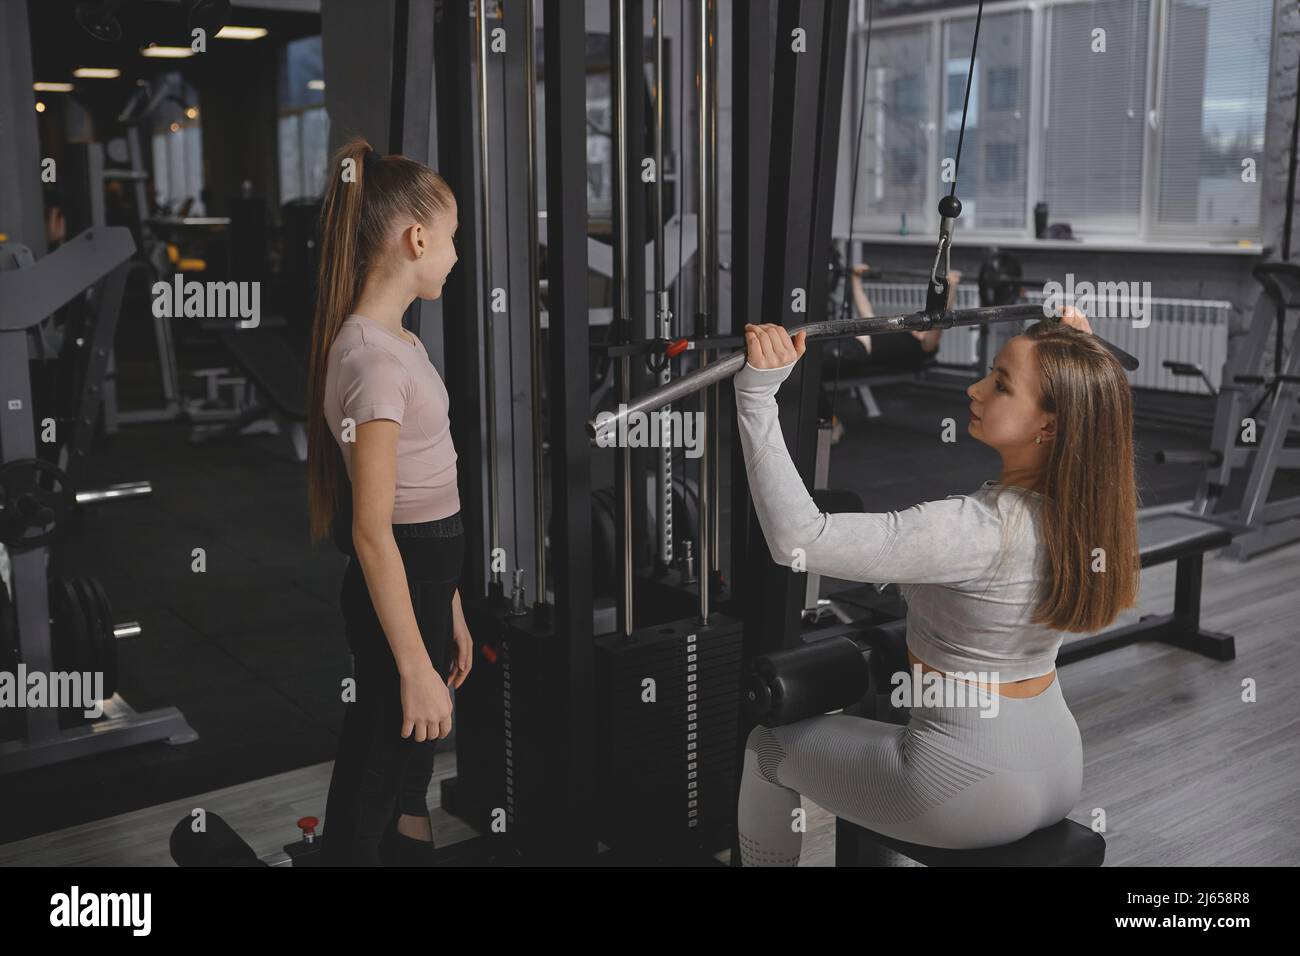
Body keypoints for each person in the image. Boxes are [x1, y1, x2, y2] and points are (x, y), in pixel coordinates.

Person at [734, 307, 1140, 865]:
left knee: (767, 747)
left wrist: (757, 396)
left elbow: (799, 539)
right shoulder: (1090, 513)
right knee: (882, 739)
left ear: (1049, 425)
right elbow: (1095, 404)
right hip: (1058, 765)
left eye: (1000, 384)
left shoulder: (971, 528)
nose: (975, 389)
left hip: (970, 787)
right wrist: (1072, 349)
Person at [305, 139, 470, 866]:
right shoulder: (373, 358)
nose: (456, 255)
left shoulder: (399, 341)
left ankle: (408, 855)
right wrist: (413, 664)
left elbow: (427, 506)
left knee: (409, 760)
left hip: (428, 573)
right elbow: (374, 532)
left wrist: (452, 610)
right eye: (453, 238)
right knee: (379, 753)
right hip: (396, 578)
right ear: (416, 238)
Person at [820, 264, 960, 442]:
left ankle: (831, 423)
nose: (920, 323)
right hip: (845, 341)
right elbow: (865, 310)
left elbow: (941, 319)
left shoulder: (923, 347)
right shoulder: (897, 331)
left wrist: (951, 287)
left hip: (855, 350)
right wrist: (855, 278)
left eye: (926, 325)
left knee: (810, 369)